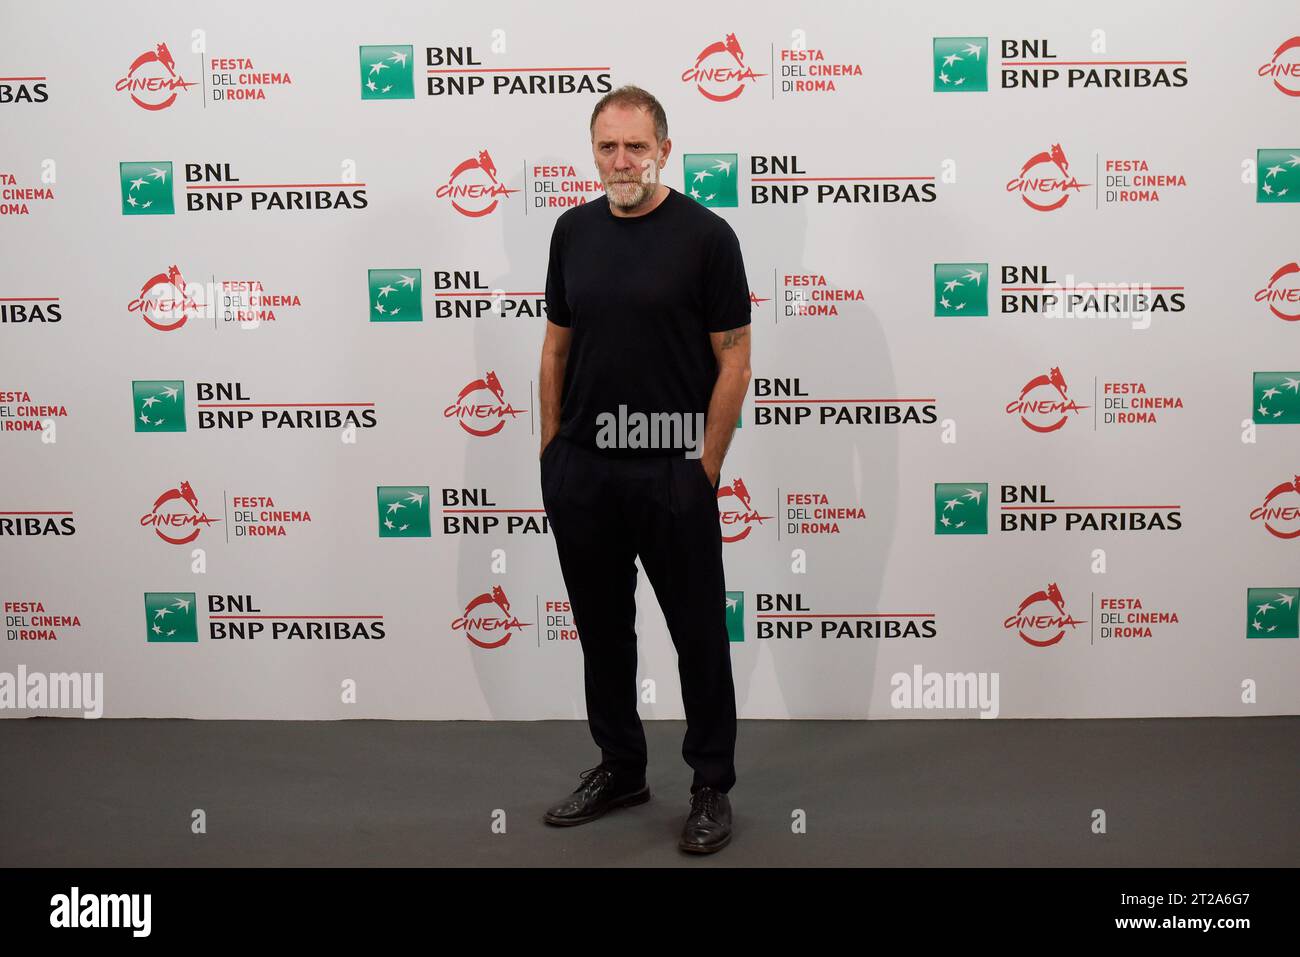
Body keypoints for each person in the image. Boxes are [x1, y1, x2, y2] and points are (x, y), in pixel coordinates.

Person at [537, 85, 752, 854]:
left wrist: (705, 467)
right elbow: (556, 347)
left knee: (699, 634)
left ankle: (710, 785)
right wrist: (551, 453)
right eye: (607, 147)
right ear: (593, 151)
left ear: (665, 148)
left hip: (671, 469)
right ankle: (621, 765)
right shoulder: (571, 231)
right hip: (584, 473)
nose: (621, 161)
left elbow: (734, 360)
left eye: (636, 146)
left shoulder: (707, 236)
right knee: (603, 632)